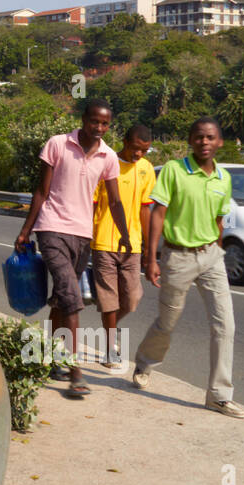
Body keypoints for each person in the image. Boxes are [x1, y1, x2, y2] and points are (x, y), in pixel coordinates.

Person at [15, 99, 132, 397]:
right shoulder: (57, 144)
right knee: (72, 294)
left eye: (105, 123)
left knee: (61, 299)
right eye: (94, 121)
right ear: (83, 119)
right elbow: (41, 190)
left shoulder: (108, 157)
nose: (99, 127)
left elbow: (115, 201)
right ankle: (75, 371)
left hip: (83, 235)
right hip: (51, 228)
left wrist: (125, 236)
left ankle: (51, 357)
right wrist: (26, 230)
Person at [132, 116, 244, 418]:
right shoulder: (174, 170)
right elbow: (158, 213)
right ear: (190, 140)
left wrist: (217, 250)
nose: (204, 143)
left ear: (219, 142)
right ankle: (145, 362)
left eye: (210, 138)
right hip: (177, 257)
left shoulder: (223, 178)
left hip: (211, 256)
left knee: (225, 325)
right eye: (198, 137)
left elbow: (219, 220)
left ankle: (219, 396)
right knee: (168, 322)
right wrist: (150, 257)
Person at [91, 123, 155, 371]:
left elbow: (144, 208)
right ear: (126, 142)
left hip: (133, 245)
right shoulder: (106, 164)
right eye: (136, 149)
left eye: (145, 151)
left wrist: (149, 248)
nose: (139, 154)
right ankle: (110, 348)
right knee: (110, 299)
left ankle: (109, 328)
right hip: (104, 240)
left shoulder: (147, 169)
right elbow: (93, 203)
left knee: (132, 298)